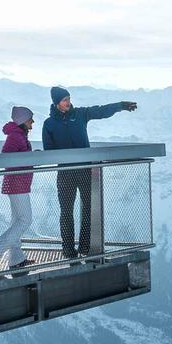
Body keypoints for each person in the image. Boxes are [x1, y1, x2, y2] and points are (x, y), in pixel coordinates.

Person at [42, 86, 138, 259]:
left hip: (85, 170)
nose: (68, 102)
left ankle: (85, 247)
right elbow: (49, 150)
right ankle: (68, 249)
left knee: (88, 208)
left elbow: (101, 111)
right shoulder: (49, 124)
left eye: (69, 98)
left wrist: (121, 105)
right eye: (64, 100)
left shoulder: (80, 114)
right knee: (66, 211)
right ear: (56, 103)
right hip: (65, 172)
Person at [0, 105, 36, 269]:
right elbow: (7, 156)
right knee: (25, 220)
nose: (33, 122)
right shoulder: (16, 136)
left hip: (18, 183)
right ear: (22, 121)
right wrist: (31, 156)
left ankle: (16, 259)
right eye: (30, 119)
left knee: (16, 221)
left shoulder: (19, 134)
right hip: (17, 183)